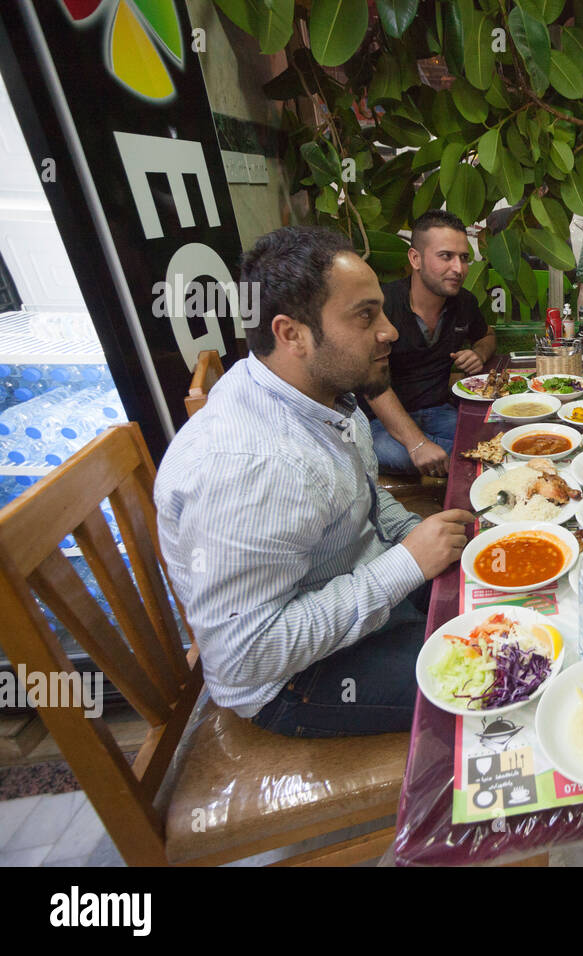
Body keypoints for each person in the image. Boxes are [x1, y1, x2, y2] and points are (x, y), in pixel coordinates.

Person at [154, 226, 473, 738]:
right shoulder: (249, 467)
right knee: (506, 672)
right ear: (292, 334)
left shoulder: (317, 390)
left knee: (506, 596)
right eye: (365, 316)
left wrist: (417, 536)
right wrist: (407, 564)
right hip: (293, 679)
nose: (390, 331)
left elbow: (363, 498)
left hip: (352, 587)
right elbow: (245, 658)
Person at [366, 210, 495, 476]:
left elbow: (487, 335)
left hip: (439, 411)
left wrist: (478, 353)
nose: (458, 269)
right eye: (446, 256)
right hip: (382, 422)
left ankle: (470, 460)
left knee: (496, 433)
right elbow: (372, 386)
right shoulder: (383, 305)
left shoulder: (464, 303)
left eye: (463, 258)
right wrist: (417, 444)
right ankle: (474, 461)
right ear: (416, 259)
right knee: (400, 456)